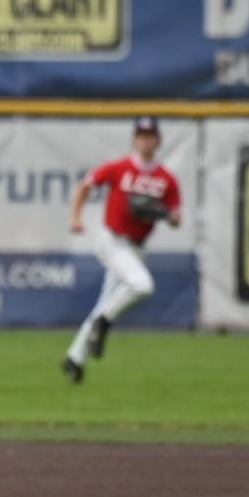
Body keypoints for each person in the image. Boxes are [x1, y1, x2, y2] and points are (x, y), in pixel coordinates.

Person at [62, 115, 181, 384]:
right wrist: (75, 218)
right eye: (141, 135)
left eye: (150, 136)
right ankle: (103, 323)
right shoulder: (119, 168)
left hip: (137, 248)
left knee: (109, 300)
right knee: (142, 286)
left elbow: (176, 218)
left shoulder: (166, 179)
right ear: (134, 139)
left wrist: (163, 213)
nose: (145, 140)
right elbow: (86, 184)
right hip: (112, 241)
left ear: (158, 140)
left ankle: (74, 359)